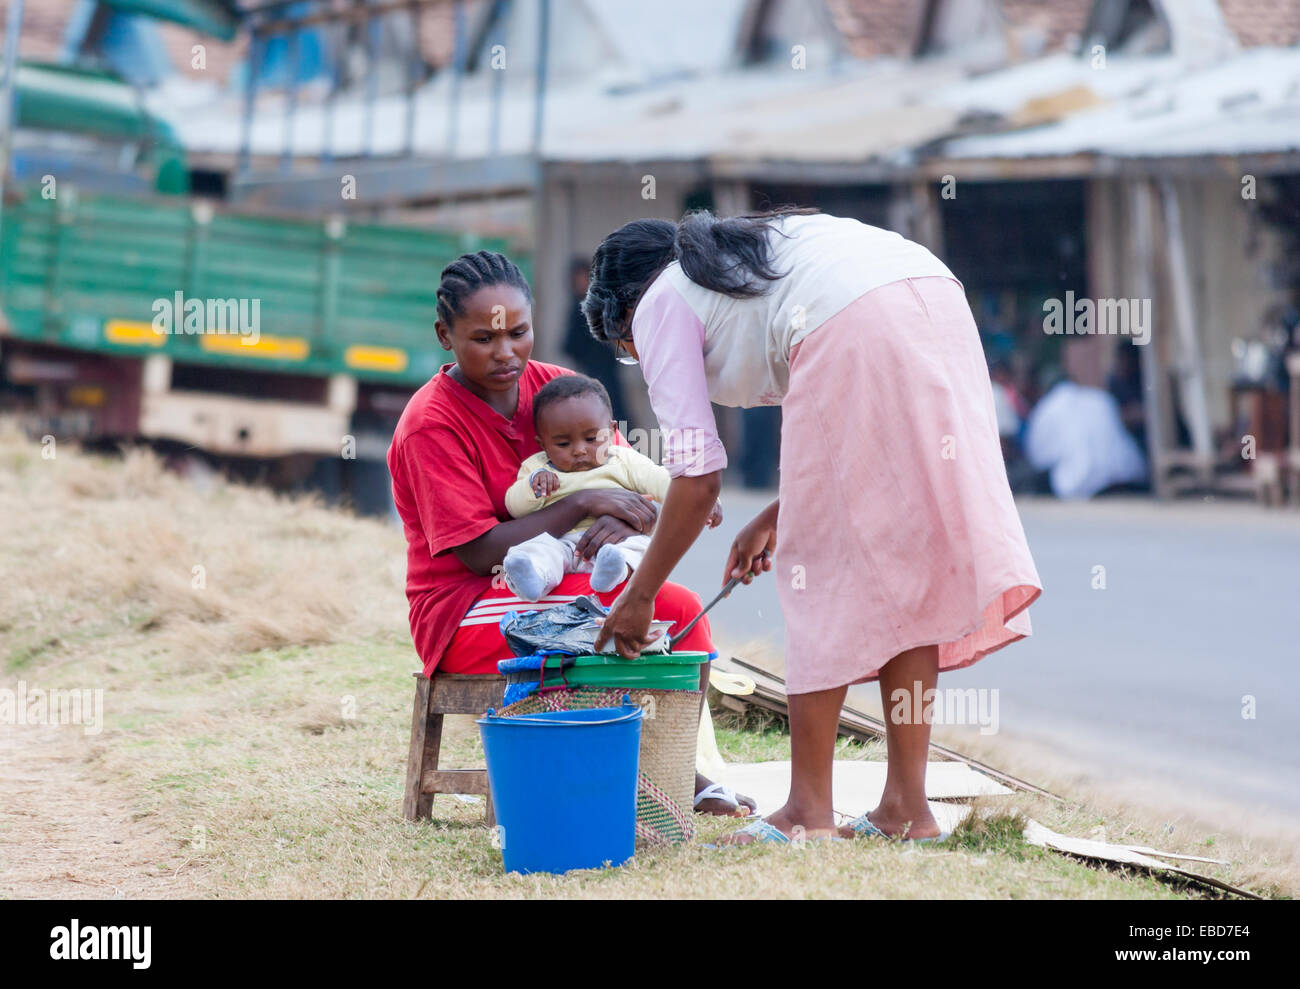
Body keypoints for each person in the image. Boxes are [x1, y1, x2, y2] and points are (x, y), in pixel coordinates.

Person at [585, 207, 1043, 844]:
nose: (638, 359)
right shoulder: (748, 259)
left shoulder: (659, 303)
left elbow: (696, 479)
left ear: (623, 316)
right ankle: (908, 810)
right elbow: (847, 443)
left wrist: (639, 598)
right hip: (934, 298)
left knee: (817, 570)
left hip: (857, 321)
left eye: (625, 353)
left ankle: (807, 811)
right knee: (907, 564)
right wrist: (782, 510)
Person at [386, 250, 755, 817]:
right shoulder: (431, 423)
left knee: (679, 609)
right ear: (444, 335)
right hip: (464, 606)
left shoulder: (558, 390)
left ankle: (680, 769)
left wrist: (624, 514)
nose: (505, 353)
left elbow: (643, 490)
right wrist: (583, 501)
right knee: (630, 612)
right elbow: (475, 551)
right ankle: (640, 777)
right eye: (483, 338)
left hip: (571, 576)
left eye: (519, 333)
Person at [502, 374, 722, 601]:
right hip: (561, 543)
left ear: (612, 431)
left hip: (614, 542)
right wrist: (533, 487)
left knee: (638, 547)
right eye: (563, 444)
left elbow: (660, 480)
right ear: (543, 443)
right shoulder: (538, 469)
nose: (579, 450)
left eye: (591, 439)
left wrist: (701, 500)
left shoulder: (623, 460)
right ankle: (534, 578)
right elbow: (514, 506)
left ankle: (614, 571)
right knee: (536, 549)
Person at [563, 255, 629, 424]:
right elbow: (569, 344)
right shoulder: (576, 308)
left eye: (585, 277)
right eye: (578, 278)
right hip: (591, 370)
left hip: (606, 369)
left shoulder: (599, 304)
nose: (582, 282)